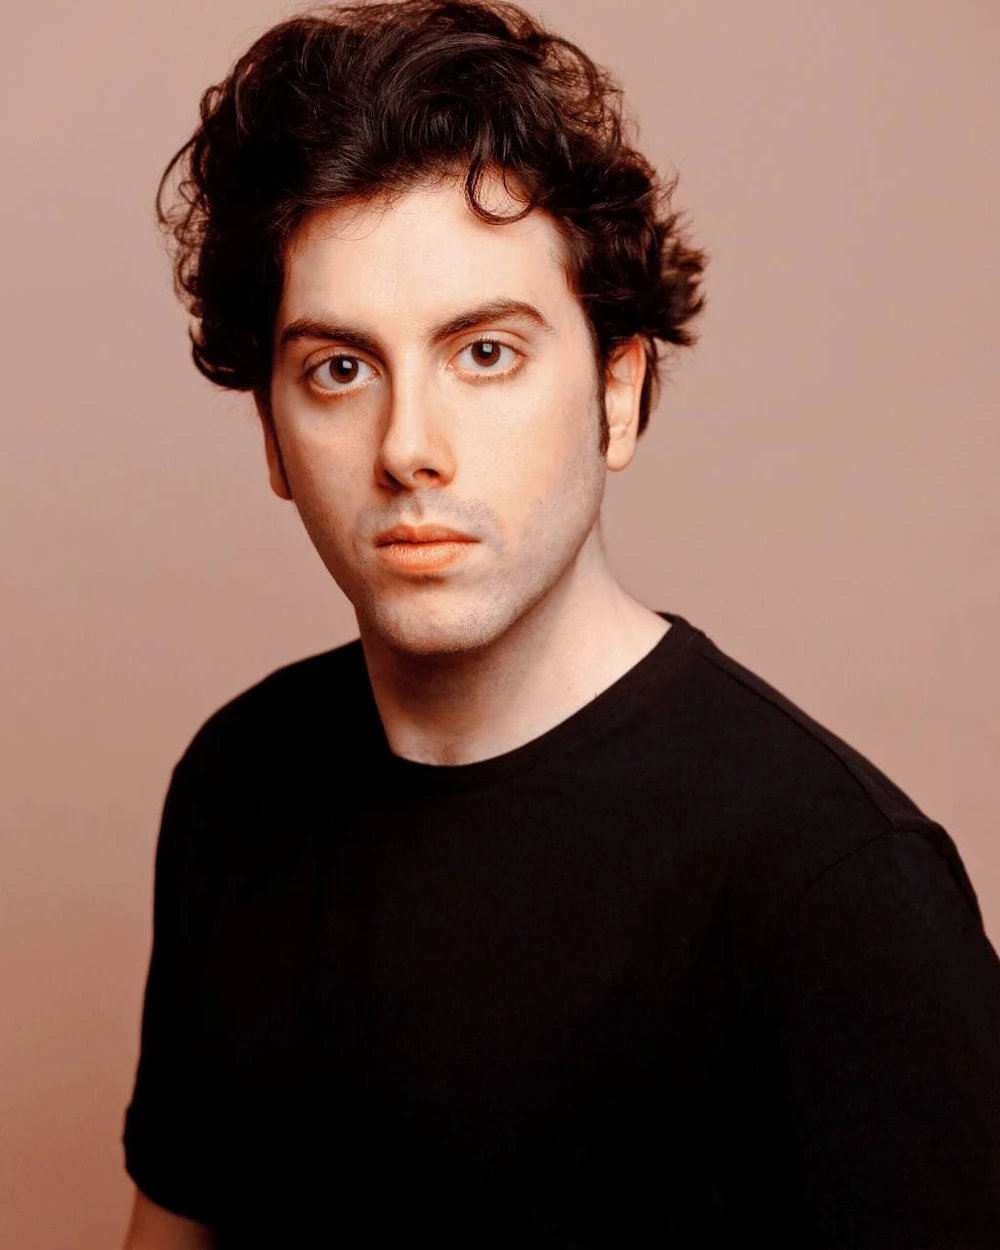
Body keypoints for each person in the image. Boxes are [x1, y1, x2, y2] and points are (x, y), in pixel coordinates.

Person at [121, 2, 1000, 1246]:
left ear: (616, 393)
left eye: (484, 352)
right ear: (271, 433)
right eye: (339, 368)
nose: (409, 447)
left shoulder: (832, 890)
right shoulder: (236, 782)